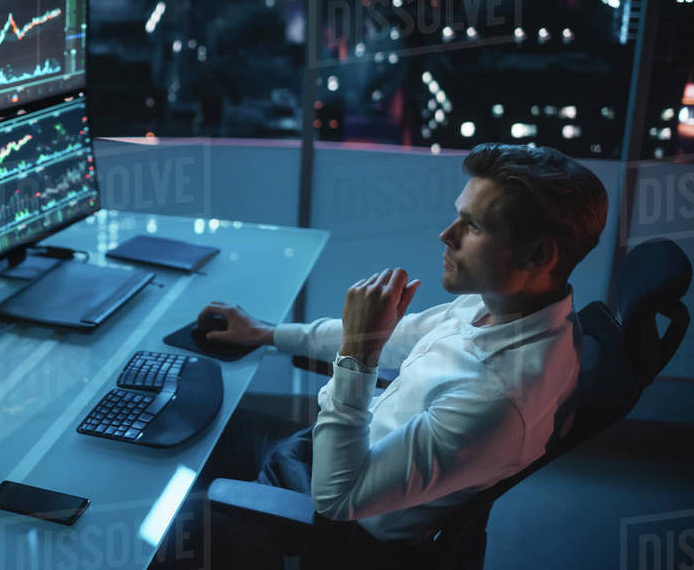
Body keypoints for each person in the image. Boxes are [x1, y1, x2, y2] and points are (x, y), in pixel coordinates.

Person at [195, 143, 609, 562]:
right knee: (204, 423)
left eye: (474, 226)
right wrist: (267, 333)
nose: (446, 235)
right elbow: (393, 336)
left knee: (161, 521)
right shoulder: (507, 306)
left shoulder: (500, 397)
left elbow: (337, 500)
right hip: (333, 448)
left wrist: (359, 352)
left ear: (538, 254)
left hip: (337, 513)